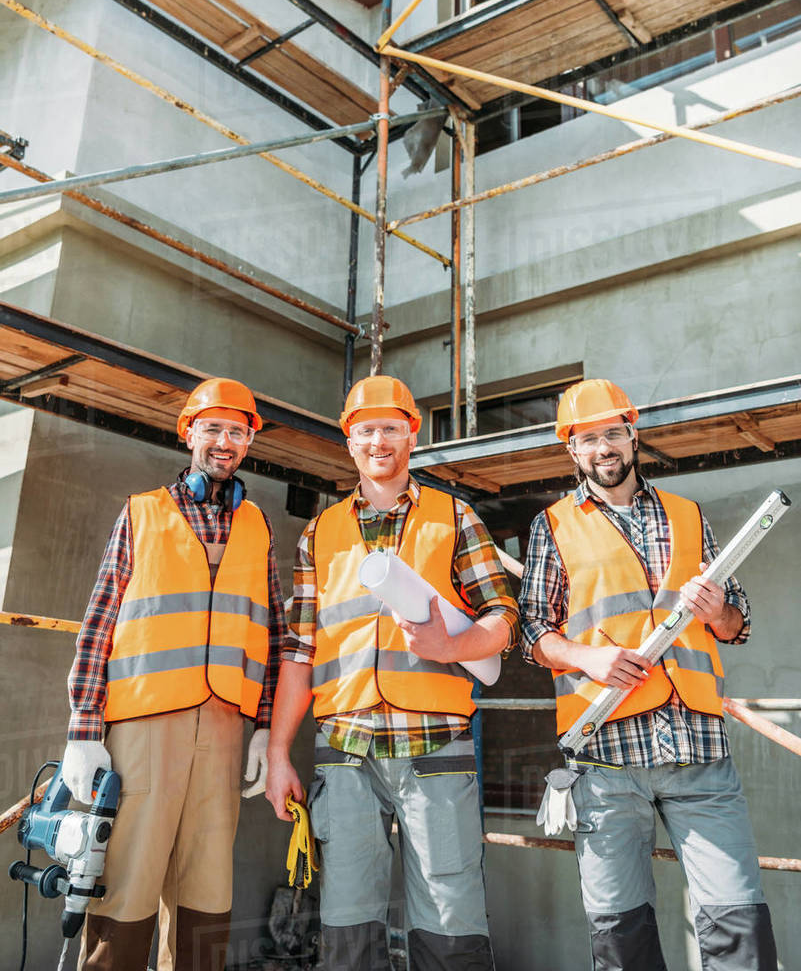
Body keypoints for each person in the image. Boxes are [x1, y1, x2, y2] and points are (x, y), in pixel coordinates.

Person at [519, 378, 777, 971]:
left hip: (698, 752)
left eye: (613, 433)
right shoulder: (551, 526)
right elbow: (533, 632)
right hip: (607, 757)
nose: (603, 448)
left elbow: (737, 623)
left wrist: (718, 612)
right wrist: (587, 658)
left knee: (739, 922)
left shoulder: (687, 515)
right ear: (571, 449)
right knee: (621, 935)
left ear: (633, 436)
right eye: (588, 439)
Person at [264, 374, 519, 971]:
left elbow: (503, 618)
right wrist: (278, 753)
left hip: (435, 748)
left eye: (390, 429)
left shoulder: (455, 517)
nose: (378, 441)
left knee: (451, 925)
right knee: (347, 928)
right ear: (349, 442)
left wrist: (451, 645)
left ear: (411, 436)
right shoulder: (320, 534)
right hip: (345, 751)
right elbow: (299, 651)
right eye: (366, 431)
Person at [62, 377, 286, 971]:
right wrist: (84, 728)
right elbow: (100, 620)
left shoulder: (258, 526)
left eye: (237, 432)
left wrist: (265, 729)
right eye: (212, 428)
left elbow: (272, 633)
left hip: (224, 728)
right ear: (188, 433)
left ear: (248, 443)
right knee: (127, 879)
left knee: (206, 886)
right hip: (143, 725)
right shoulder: (142, 513)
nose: (225, 441)